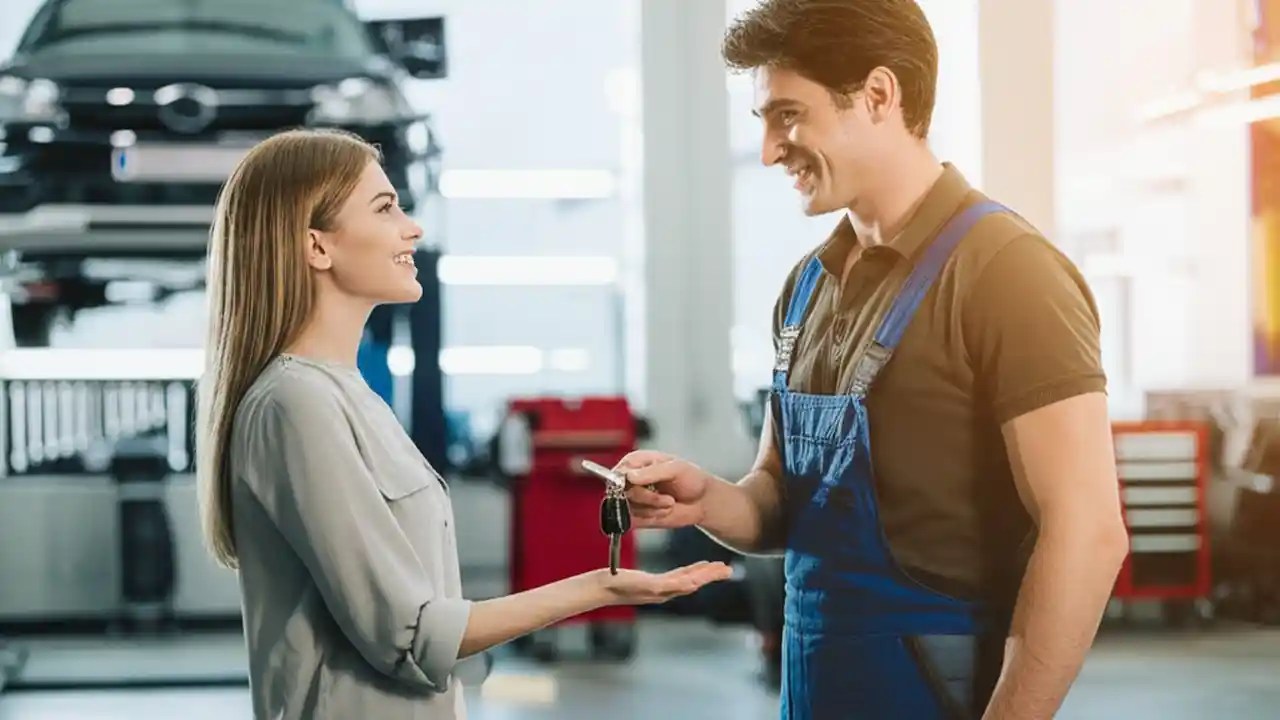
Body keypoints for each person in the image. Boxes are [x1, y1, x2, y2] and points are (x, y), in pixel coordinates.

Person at [616, 1, 1129, 718]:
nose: (768, 150)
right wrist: (707, 498)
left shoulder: (1009, 273)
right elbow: (781, 501)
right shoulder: (807, 287)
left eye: (787, 115)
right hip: (818, 685)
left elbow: (1088, 529)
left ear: (879, 96)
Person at [194, 128, 730, 720]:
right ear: (317, 247)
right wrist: (599, 588)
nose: (412, 227)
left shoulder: (348, 396)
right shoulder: (295, 404)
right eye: (385, 207)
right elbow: (410, 635)